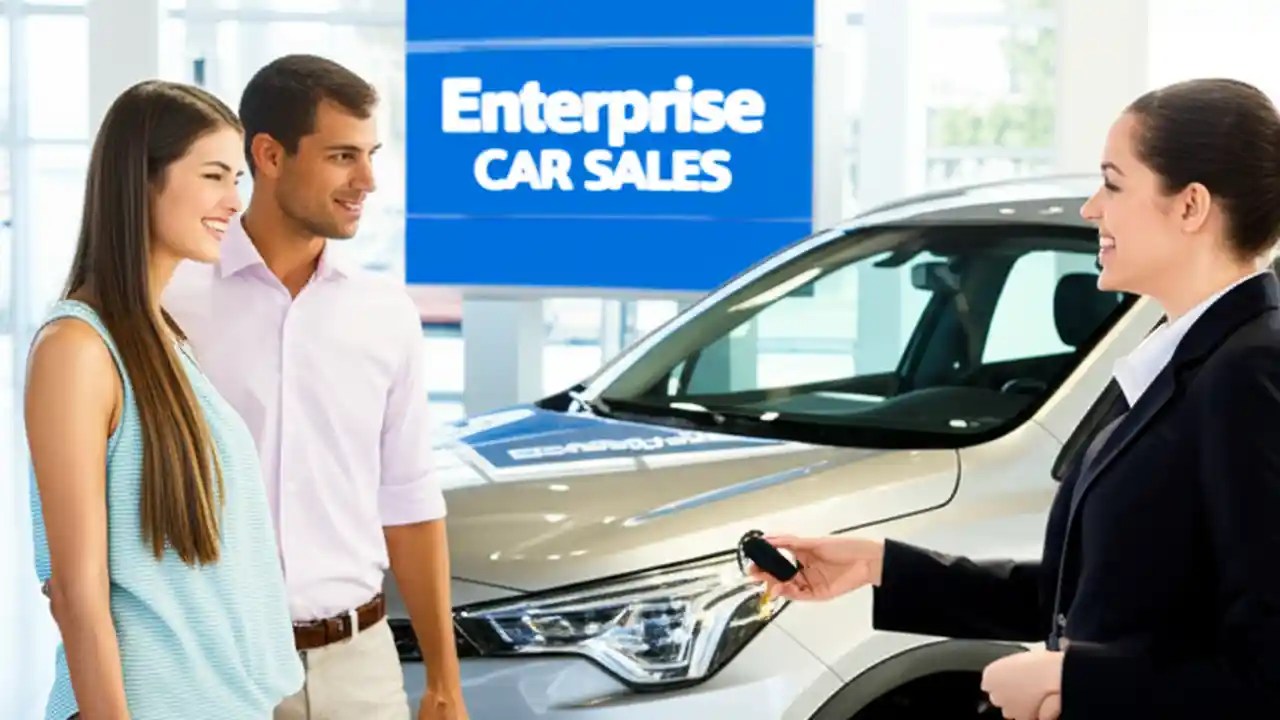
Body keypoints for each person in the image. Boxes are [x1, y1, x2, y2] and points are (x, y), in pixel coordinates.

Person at [750, 78, 1280, 720]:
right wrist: (877, 565)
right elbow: (1080, 592)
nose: (1092, 208)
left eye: (1113, 183)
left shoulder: (1251, 371)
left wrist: (1075, 682)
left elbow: (1265, 667)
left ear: (1191, 206)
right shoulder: (1180, 359)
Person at [163, 54, 467, 720]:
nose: (368, 181)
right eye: (341, 157)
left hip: (361, 668)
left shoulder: (386, 314)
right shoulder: (173, 303)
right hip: (214, 665)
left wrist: (444, 680)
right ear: (269, 155)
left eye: (371, 154)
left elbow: (410, 500)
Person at [26, 80, 303, 719]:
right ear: (141, 180)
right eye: (214, 176)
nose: (235, 202)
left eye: (238, 179)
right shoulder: (77, 348)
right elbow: (76, 591)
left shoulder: (164, 339)